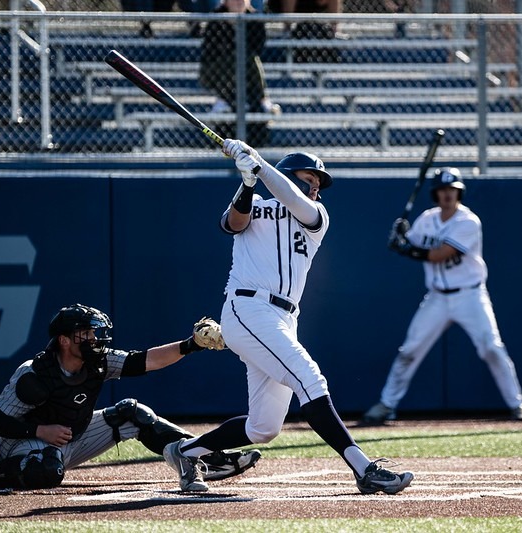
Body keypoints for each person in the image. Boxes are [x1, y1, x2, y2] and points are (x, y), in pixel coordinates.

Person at [160, 139, 414, 495]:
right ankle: (363, 468)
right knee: (310, 379)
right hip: (247, 307)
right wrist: (248, 180)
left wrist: (259, 165)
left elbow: (292, 197)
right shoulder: (258, 204)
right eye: (310, 178)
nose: (315, 187)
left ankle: (184, 453)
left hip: (282, 318)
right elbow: (232, 224)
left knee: (263, 427)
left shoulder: (316, 216)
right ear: (290, 173)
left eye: (318, 183)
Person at [0, 303, 261, 489]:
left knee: (132, 412)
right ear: (65, 341)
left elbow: (145, 360)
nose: (95, 338)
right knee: (48, 470)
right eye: (87, 333)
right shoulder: (35, 372)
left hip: (73, 436)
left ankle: (202, 457)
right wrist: (39, 431)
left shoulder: (98, 361)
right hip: (25, 443)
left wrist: (190, 345)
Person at [362, 168, 522, 424]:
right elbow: (409, 241)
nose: (447, 194)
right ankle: (387, 404)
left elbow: (441, 253)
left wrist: (407, 250)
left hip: (470, 295)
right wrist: (400, 236)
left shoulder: (468, 221)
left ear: (459, 192)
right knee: (409, 350)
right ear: (435, 193)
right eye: (443, 190)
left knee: (492, 348)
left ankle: (518, 404)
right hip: (437, 298)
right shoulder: (427, 219)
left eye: (452, 189)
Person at [200, 0, 280, 146]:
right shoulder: (217, 18)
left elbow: (258, 47)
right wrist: (231, 26)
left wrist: (240, 26)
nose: (238, 2)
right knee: (241, 57)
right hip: (215, 71)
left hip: (243, 74)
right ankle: (257, 98)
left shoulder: (254, 18)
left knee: (247, 58)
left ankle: (228, 100)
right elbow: (211, 51)